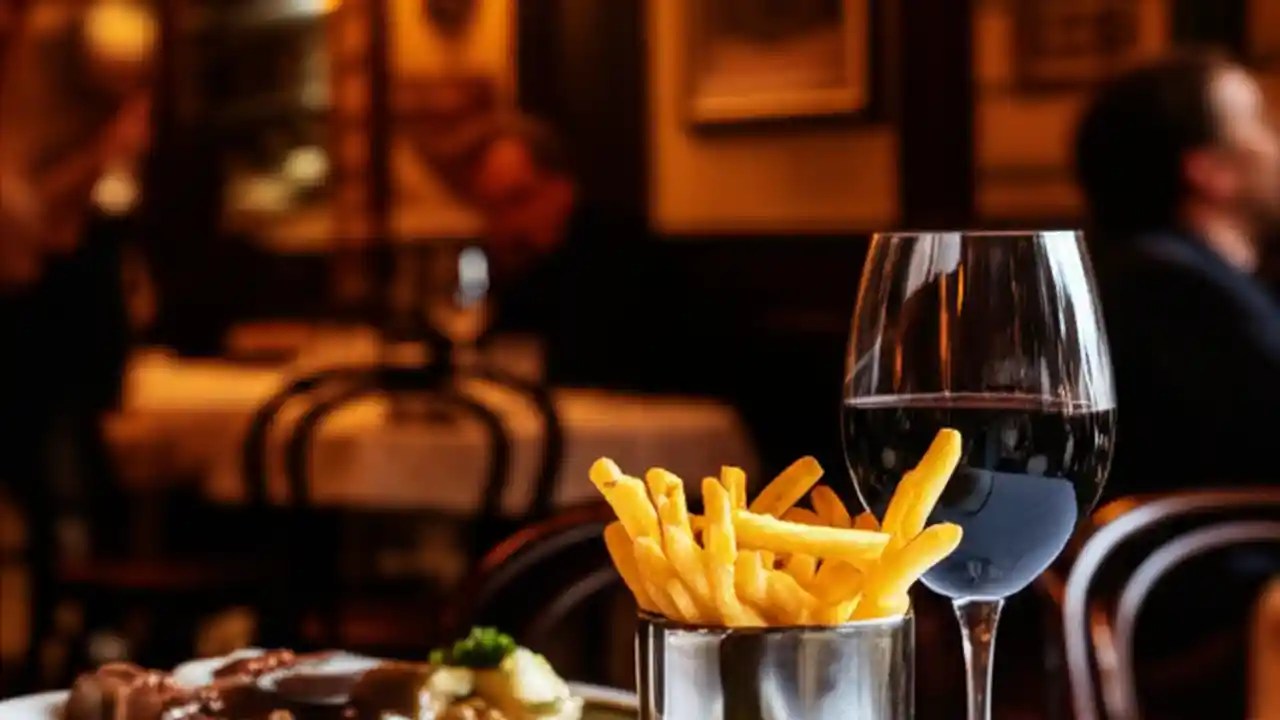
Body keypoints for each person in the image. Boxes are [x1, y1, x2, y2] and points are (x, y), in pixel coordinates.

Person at [1075, 49, 1280, 496]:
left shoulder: (1156, 272)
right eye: (1260, 122)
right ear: (1210, 170)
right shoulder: (1173, 291)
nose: (1274, 141)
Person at [463, 116, 718, 393]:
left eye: (519, 199)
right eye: (492, 208)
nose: (507, 222)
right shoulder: (505, 268)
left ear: (564, 189)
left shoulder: (623, 260)